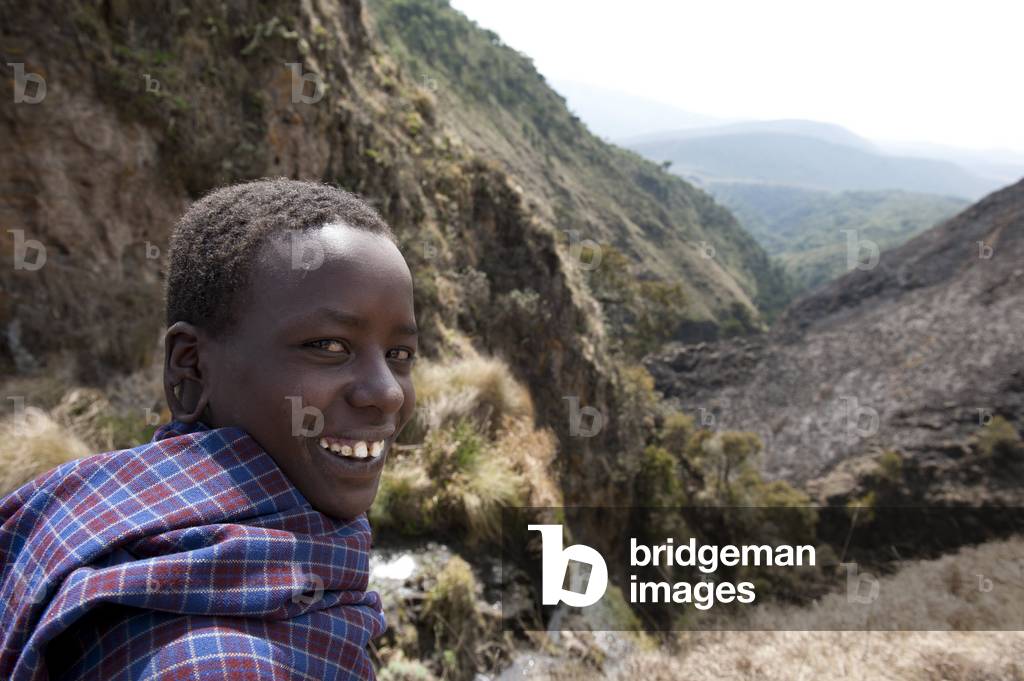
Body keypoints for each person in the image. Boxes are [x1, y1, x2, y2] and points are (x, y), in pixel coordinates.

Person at [0, 178, 418, 680]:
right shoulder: (218, 664)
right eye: (329, 346)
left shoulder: (83, 524)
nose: (388, 391)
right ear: (191, 368)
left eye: (399, 355)